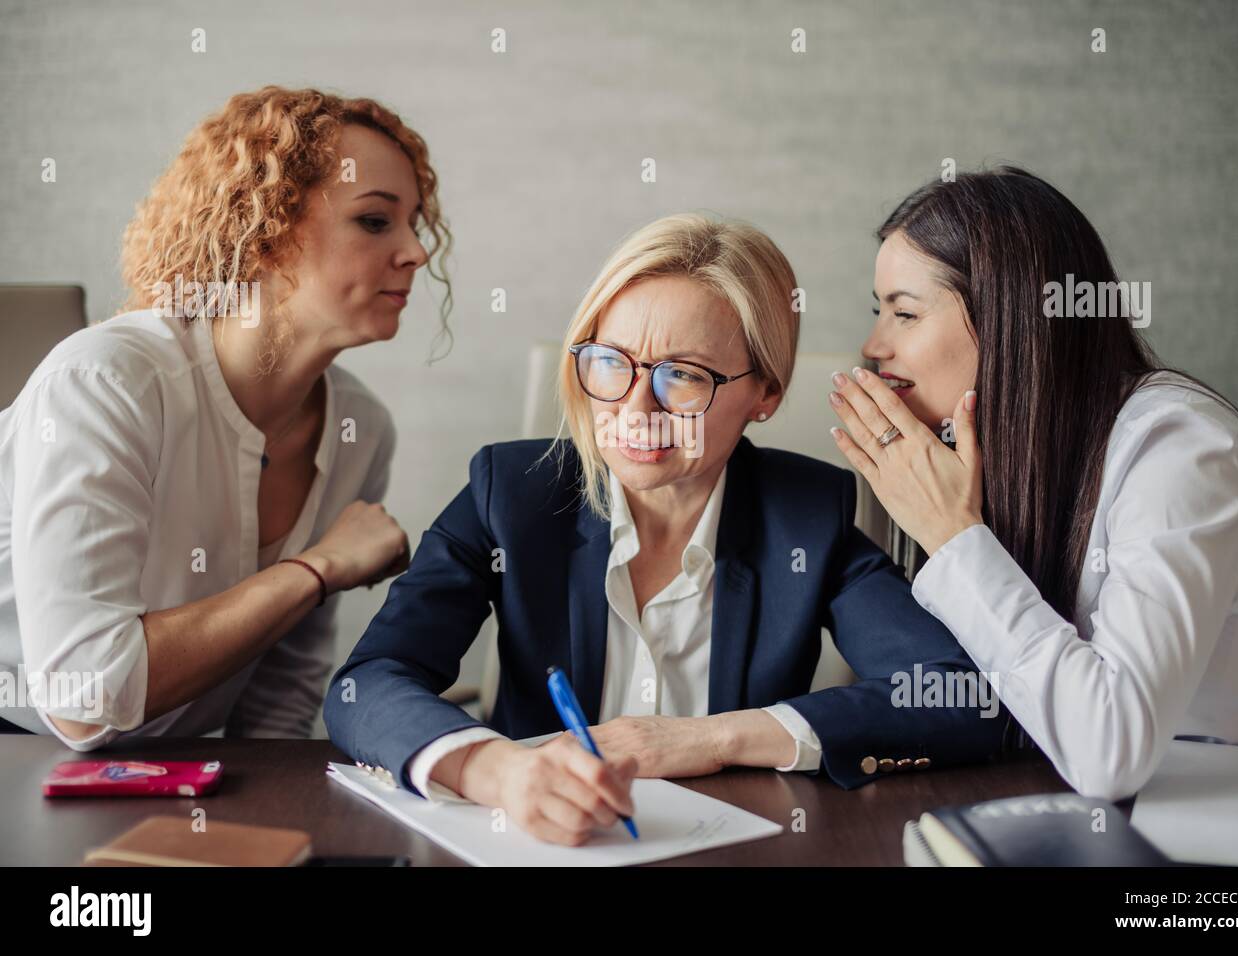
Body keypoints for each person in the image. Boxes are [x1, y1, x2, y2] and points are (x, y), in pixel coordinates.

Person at [325, 212, 1010, 846]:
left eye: (682, 375)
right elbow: (371, 683)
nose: (634, 407)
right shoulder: (511, 493)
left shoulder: (809, 515)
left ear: (765, 393)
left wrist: (706, 740)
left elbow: (956, 693)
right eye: (610, 362)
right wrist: (495, 771)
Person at [828, 166, 1238, 800]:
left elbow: (1109, 750)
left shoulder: (1181, 450)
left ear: (1012, 319)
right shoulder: (991, 454)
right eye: (877, 311)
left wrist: (952, 534)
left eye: (904, 314)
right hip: (1154, 798)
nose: (873, 345)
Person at [0, 86, 450, 746]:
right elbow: (81, 696)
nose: (417, 252)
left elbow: (279, 695)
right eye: (377, 221)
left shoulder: (363, 428)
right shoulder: (104, 378)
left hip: (180, 773)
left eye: (415, 223)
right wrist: (318, 568)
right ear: (264, 226)